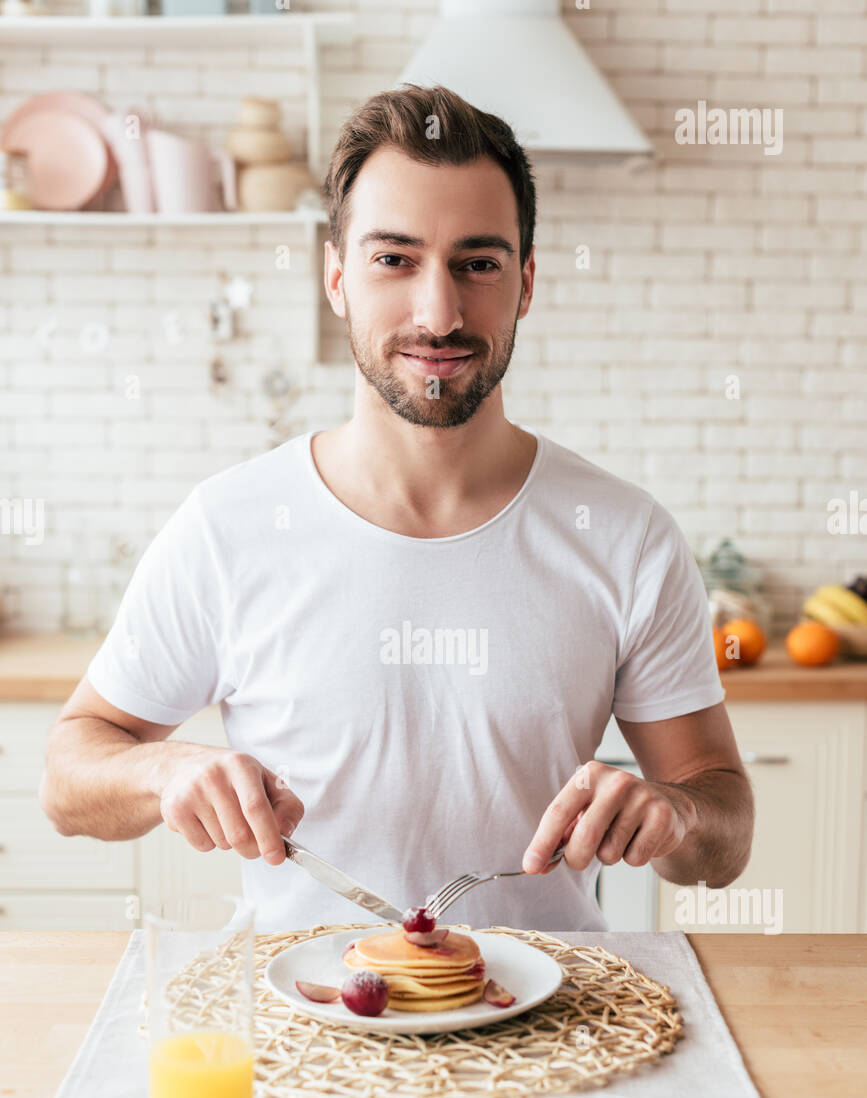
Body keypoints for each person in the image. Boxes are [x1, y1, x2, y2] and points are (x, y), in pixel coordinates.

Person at [40, 84, 753, 935]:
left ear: (525, 283)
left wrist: (676, 813)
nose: (439, 313)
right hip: (305, 1037)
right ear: (336, 276)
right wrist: (161, 774)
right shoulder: (228, 527)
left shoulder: (625, 537)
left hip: (550, 1027)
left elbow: (724, 834)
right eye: (395, 259)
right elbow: (66, 779)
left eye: (477, 263)